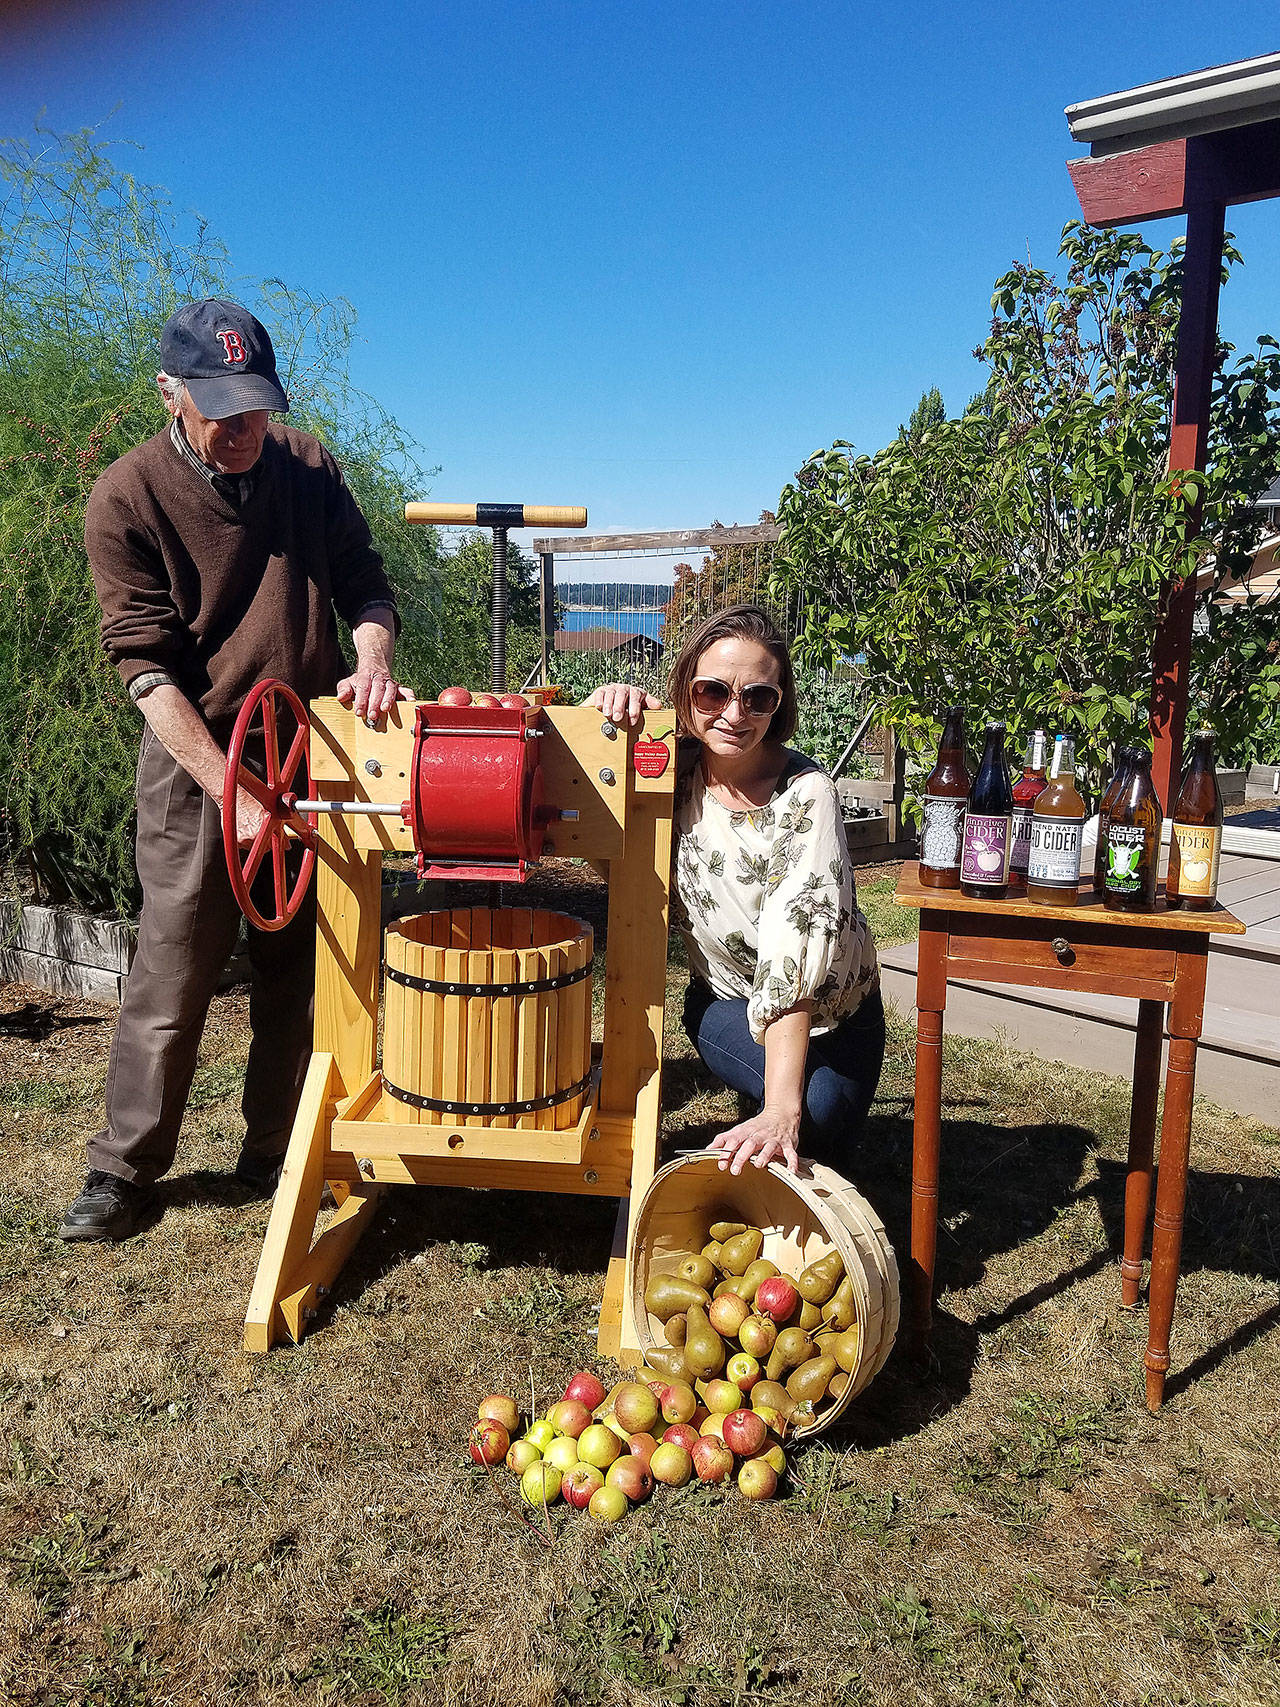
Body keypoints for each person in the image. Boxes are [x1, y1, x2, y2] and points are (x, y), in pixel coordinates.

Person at [61, 298, 410, 1242]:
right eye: (222, 410)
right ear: (171, 394)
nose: (247, 428)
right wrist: (232, 789)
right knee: (173, 967)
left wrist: (370, 659)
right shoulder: (124, 497)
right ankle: (124, 1170)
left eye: (257, 404)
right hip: (199, 758)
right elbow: (146, 671)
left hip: (311, 751)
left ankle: (280, 1146)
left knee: (304, 967)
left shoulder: (306, 465)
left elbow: (364, 582)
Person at [590, 604, 883, 1178]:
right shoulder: (670, 773)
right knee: (812, 1122)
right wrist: (603, 715)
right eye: (712, 692)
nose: (733, 713)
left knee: (813, 1119)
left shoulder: (806, 796)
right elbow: (615, 856)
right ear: (684, 691)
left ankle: (775, 1102)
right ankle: (774, 1102)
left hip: (834, 1016)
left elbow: (791, 956)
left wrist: (781, 1110)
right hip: (727, 1000)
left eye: (758, 697)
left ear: (780, 706)